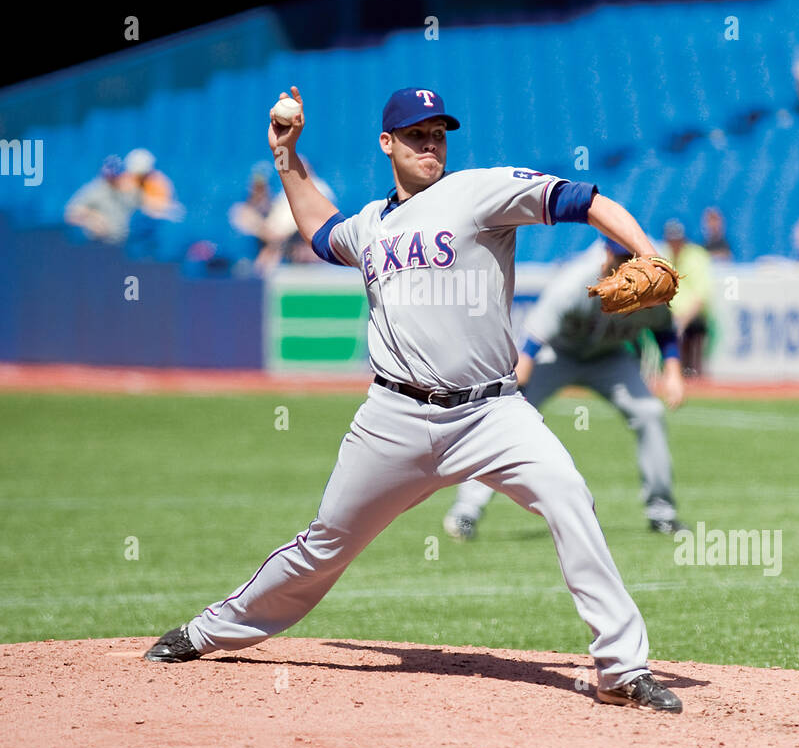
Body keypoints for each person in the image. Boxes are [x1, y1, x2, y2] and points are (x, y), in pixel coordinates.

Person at [144, 85, 684, 714]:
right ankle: (210, 630)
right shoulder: (372, 225)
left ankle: (621, 668)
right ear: (388, 144)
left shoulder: (479, 191)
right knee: (324, 544)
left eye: (439, 133)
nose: (431, 143)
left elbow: (585, 201)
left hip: (491, 412)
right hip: (393, 419)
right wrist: (287, 157)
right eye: (417, 133)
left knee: (569, 497)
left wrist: (647, 253)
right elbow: (320, 228)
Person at [443, 238, 686, 542]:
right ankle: (466, 510)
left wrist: (674, 372)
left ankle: (661, 514)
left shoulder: (648, 282)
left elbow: (664, 329)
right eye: (623, 256)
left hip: (609, 357)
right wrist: (517, 391)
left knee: (649, 413)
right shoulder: (576, 281)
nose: (628, 264)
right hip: (558, 354)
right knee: (506, 421)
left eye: (633, 257)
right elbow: (532, 342)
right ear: (607, 254)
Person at [661, 219, 713, 378]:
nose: (674, 243)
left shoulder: (697, 257)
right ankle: (672, 371)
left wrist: (683, 320)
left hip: (692, 316)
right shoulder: (661, 254)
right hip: (667, 314)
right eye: (671, 239)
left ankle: (692, 373)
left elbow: (701, 296)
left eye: (677, 239)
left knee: (690, 328)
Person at [64, 155, 136, 244]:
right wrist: (92, 217)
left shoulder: (129, 190)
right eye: (110, 172)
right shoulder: (94, 190)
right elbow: (70, 214)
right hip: (100, 244)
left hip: (124, 243)